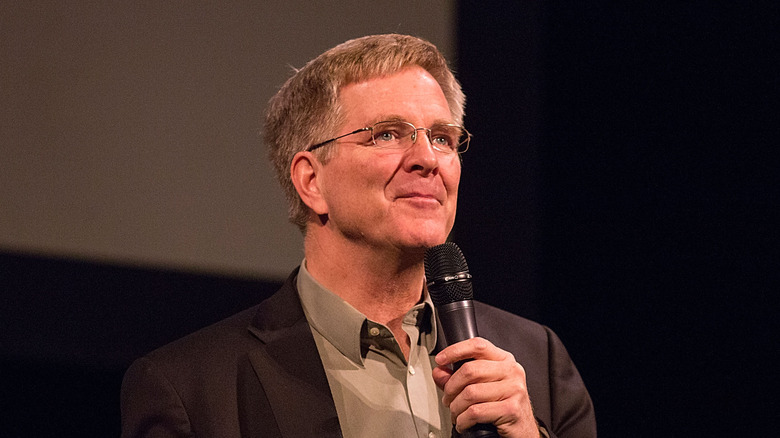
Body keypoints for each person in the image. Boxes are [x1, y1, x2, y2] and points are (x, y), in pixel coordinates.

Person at [120, 34, 596, 438]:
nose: (427, 159)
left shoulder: (538, 363)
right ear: (312, 181)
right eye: (388, 134)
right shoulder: (191, 389)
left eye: (443, 138)